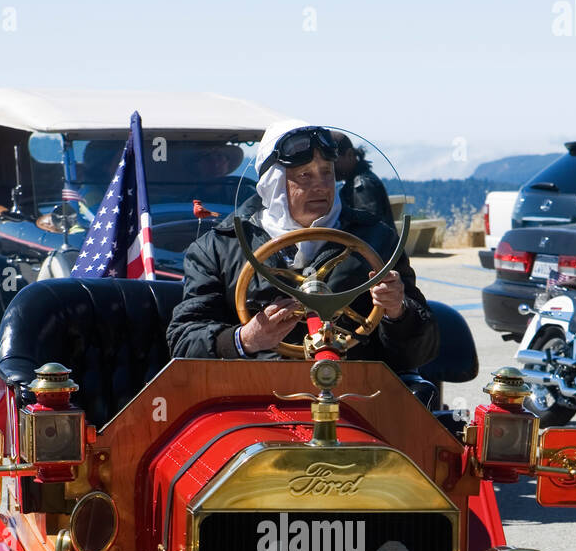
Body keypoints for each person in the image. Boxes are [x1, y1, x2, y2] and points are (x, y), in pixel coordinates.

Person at [167, 120, 438, 370]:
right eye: (304, 176)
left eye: (326, 173)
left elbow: (420, 353)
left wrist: (397, 312)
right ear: (273, 184)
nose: (321, 186)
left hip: (355, 395)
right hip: (253, 399)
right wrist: (243, 340)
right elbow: (183, 341)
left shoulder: (377, 240)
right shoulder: (218, 249)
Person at [332, 131, 395, 227]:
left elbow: (372, 220)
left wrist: (339, 211)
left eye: (334, 162)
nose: (330, 168)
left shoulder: (362, 184)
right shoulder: (356, 181)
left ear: (349, 154)